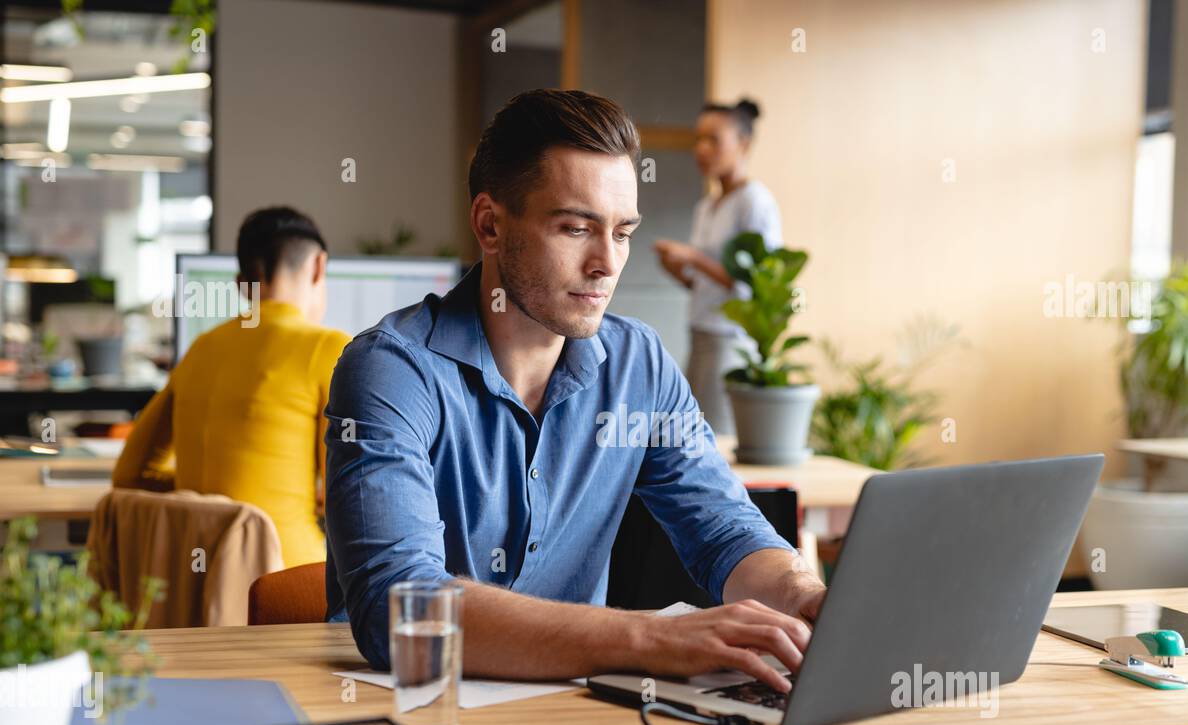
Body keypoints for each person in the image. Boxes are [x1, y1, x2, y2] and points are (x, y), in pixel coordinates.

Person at [325, 89, 825, 691]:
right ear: (489, 224)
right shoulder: (391, 370)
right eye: (575, 228)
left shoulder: (638, 364)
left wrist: (804, 596)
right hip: (408, 719)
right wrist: (652, 639)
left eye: (622, 232)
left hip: (575, 718)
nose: (607, 262)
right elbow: (399, 607)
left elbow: (724, 531)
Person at [113, 206, 349, 569]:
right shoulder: (328, 348)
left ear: (242, 284)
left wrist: (212, 501)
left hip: (195, 577)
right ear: (319, 266)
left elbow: (130, 474)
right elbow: (347, 492)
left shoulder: (201, 347)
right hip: (285, 578)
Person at [653, 98, 783, 435]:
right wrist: (676, 268)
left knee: (716, 437)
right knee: (689, 432)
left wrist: (693, 257)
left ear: (743, 144)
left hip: (730, 339)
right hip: (702, 332)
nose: (702, 149)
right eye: (698, 139)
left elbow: (756, 284)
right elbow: (704, 284)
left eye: (713, 139)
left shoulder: (754, 202)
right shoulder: (707, 206)